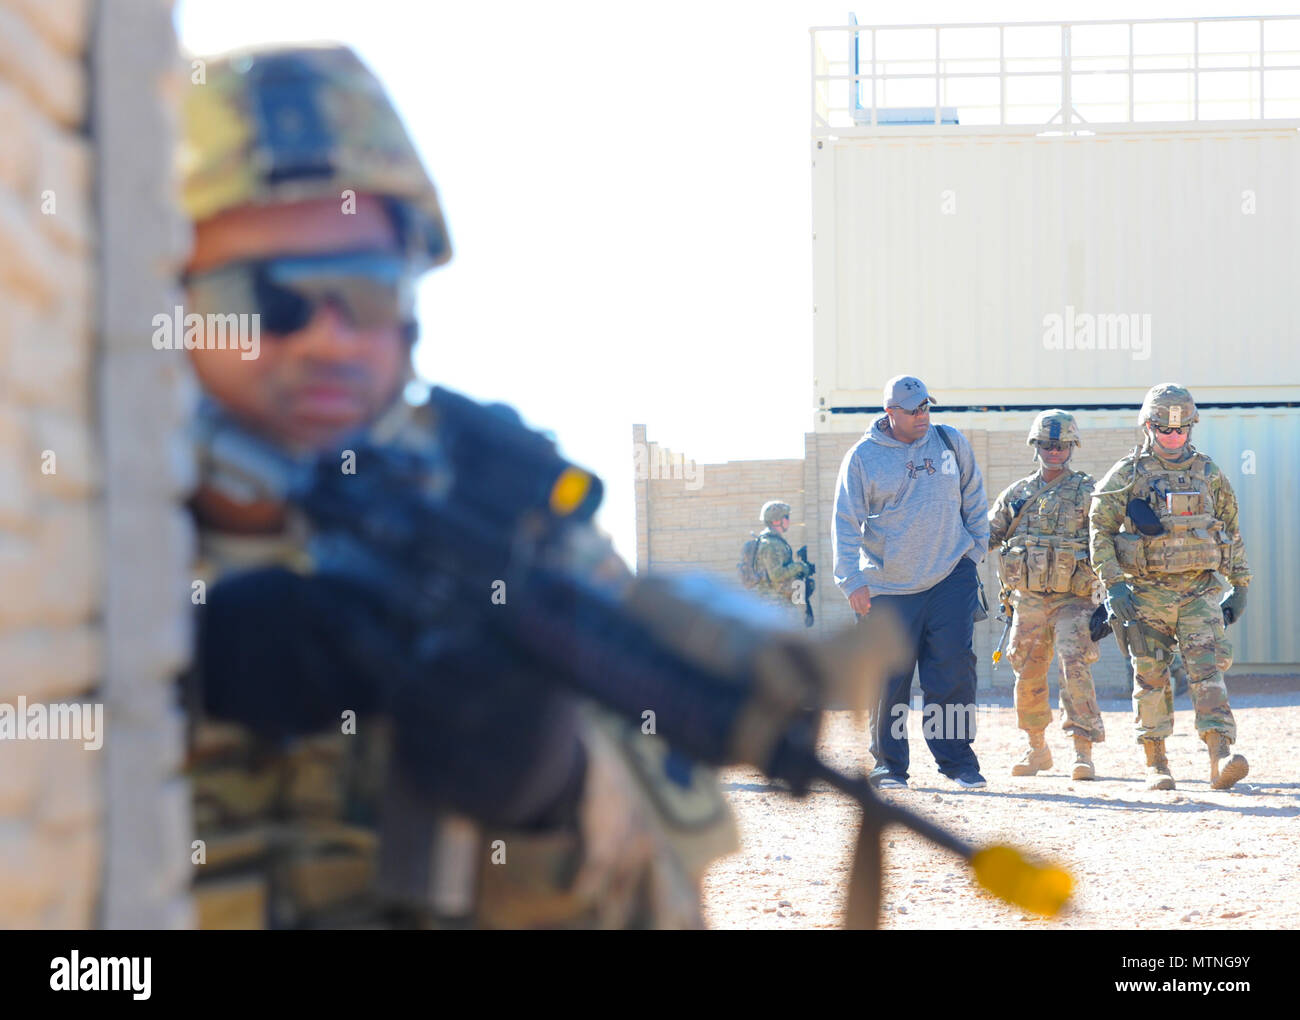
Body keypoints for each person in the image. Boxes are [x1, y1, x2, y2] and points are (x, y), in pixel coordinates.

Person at [178, 43, 735, 928]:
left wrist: (551, 793)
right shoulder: (59, 529)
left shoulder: (516, 529)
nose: (327, 338)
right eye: (267, 297)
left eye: (362, 293)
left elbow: (667, 903)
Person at [1090, 383, 1250, 792]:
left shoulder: (1209, 473)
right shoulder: (1126, 475)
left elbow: (1229, 529)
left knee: (1208, 672)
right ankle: (1156, 761)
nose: (1173, 437)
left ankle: (1220, 756)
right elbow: (1099, 530)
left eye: (1181, 430)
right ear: (1148, 427)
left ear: (1191, 428)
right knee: (1151, 678)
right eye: (1164, 429)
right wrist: (1114, 585)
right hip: (1146, 595)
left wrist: (1240, 582)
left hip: (1199, 592)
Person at [833, 374, 990, 790]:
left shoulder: (948, 441)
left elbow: (973, 493)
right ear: (890, 412)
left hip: (950, 575)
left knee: (953, 670)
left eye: (926, 407)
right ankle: (889, 765)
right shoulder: (863, 457)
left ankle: (958, 762)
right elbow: (846, 521)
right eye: (912, 410)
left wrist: (974, 551)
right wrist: (852, 581)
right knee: (889, 677)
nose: (922, 416)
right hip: (887, 586)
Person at [988, 410, 1104, 780]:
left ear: (1072, 447)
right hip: (1029, 600)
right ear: (1035, 446)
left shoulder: (1089, 492)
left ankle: (1082, 752)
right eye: (1047, 445)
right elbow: (988, 537)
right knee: (1027, 670)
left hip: (1075, 599)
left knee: (1075, 665)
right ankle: (1036, 748)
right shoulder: (1018, 494)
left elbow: (1107, 542)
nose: (1054, 452)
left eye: (1061, 446)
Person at [752, 500, 812, 618]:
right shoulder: (769, 544)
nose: (789, 521)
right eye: (787, 517)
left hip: (781, 602)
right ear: (776, 521)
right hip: (774, 606)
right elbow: (776, 574)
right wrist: (799, 566)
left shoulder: (776, 541)